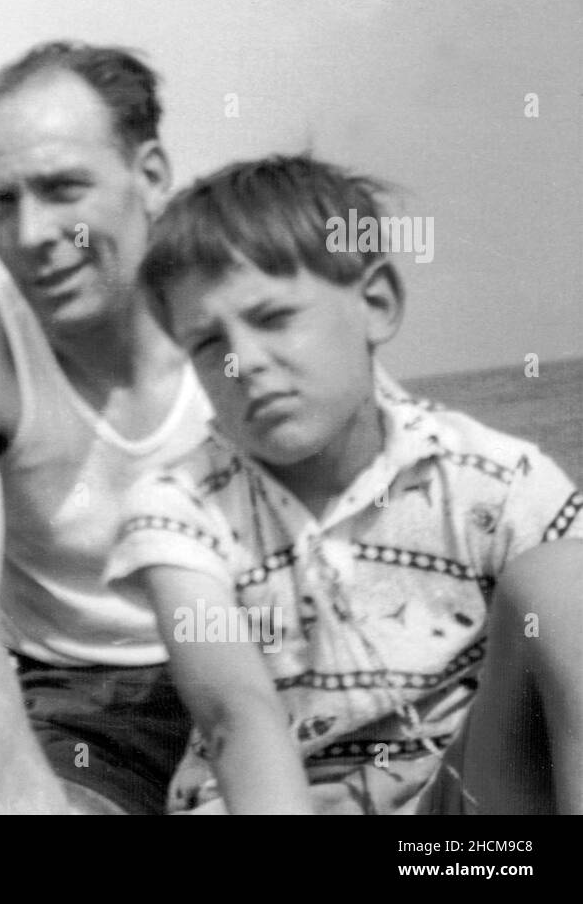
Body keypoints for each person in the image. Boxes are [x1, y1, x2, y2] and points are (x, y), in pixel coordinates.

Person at [106, 154, 583, 814]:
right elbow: (235, 714)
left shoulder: (490, 479)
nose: (246, 361)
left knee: (566, 580)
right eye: (209, 343)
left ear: (377, 305)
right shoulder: (183, 509)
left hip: (458, 823)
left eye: (274, 317)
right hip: (268, 800)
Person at [0, 41, 213, 814]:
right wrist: (19, 798)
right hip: (89, 701)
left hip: (269, 654)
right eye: (0, 202)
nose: (34, 231)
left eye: (62, 188)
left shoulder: (246, 309)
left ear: (150, 176)